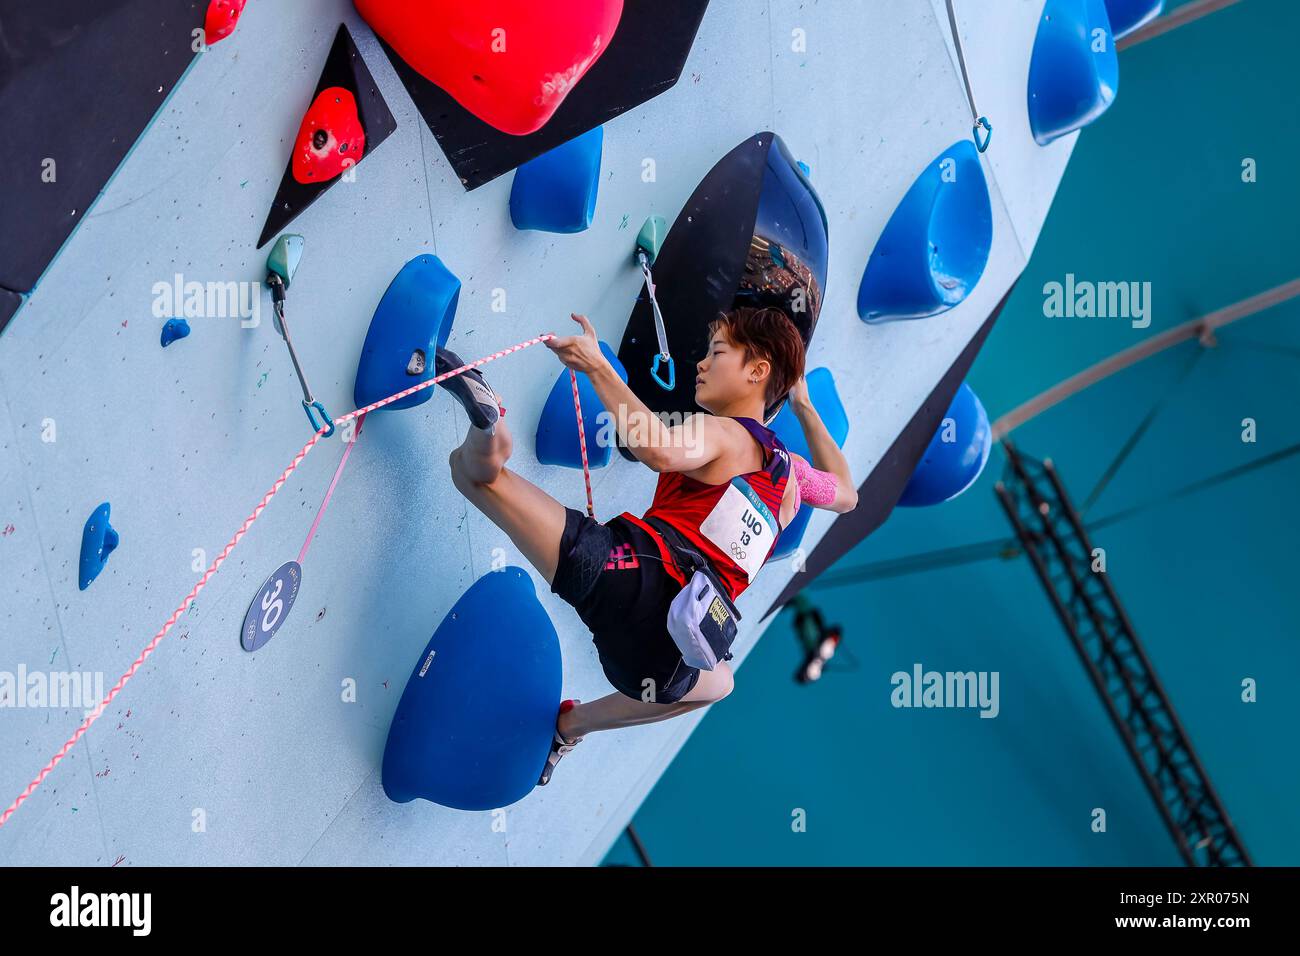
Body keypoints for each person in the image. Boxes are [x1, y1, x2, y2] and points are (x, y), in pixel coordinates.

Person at [437, 306, 856, 784]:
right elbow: (847, 495)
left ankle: (489, 428)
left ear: (757, 371)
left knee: (475, 478)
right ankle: (571, 726)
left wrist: (596, 365)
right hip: (671, 654)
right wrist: (802, 403)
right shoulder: (791, 474)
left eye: (717, 352)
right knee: (720, 683)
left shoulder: (722, 431)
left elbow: (656, 449)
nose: (701, 363)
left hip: (624, 574)